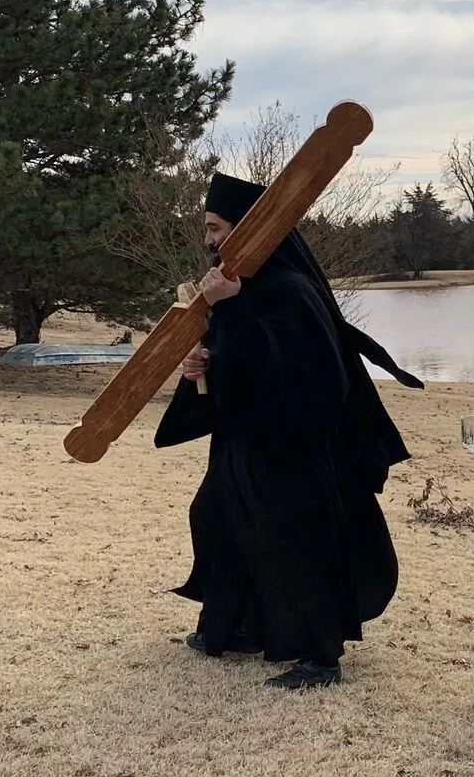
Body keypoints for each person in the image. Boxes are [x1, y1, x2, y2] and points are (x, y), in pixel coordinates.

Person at [155, 171, 421, 689]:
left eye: (217, 228)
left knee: (291, 540)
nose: (208, 240)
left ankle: (320, 656)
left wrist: (232, 310)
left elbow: (312, 376)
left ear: (250, 230)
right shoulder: (239, 287)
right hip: (242, 439)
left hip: (292, 448)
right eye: (207, 229)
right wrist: (201, 366)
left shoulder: (291, 289)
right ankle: (239, 627)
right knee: (216, 518)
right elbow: (234, 359)